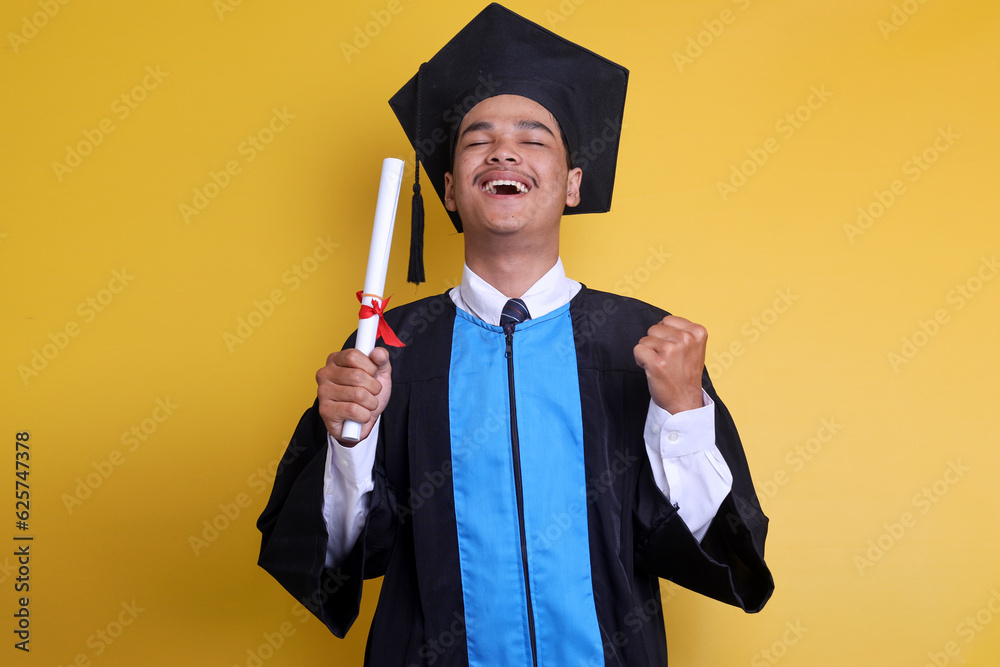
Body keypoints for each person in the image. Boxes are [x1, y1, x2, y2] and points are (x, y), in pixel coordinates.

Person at [258, 4, 773, 665]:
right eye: (478, 139)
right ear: (449, 189)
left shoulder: (643, 344)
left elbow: (717, 550)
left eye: (534, 139)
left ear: (573, 184)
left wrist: (683, 414)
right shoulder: (387, 351)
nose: (504, 151)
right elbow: (335, 562)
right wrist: (348, 442)